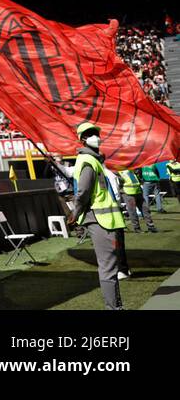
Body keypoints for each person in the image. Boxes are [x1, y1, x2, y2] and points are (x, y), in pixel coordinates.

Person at [69, 122, 127, 310]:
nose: (96, 136)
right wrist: (75, 213)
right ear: (83, 139)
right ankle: (114, 308)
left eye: (96, 132)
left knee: (111, 268)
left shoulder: (94, 160)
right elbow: (83, 193)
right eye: (90, 133)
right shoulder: (88, 161)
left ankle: (116, 306)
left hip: (107, 221)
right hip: (101, 221)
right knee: (108, 269)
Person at [117, 167, 157, 234]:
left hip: (138, 191)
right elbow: (118, 183)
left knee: (145, 209)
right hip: (128, 193)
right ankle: (137, 228)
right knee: (133, 211)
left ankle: (151, 227)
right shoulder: (119, 171)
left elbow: (138, 178)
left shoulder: (132, 169)